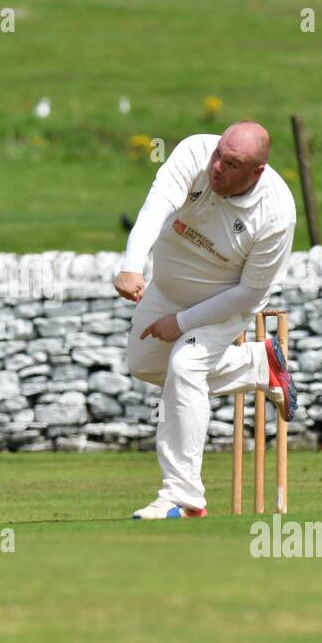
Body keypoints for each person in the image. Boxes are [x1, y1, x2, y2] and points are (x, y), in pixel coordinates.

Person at [116, 121, 298, 519]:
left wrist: (180, 324)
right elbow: (156, 206)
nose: (217, 167)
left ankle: (182, 497)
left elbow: (250, 293)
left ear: (257, 172)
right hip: (165, 290)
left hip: (222, 305)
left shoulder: (276, 215)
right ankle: (257, 364)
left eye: (231, 164)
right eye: (219, 155)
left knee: (185, 366)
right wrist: (132, 266)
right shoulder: (195, 152)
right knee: (143, 363)